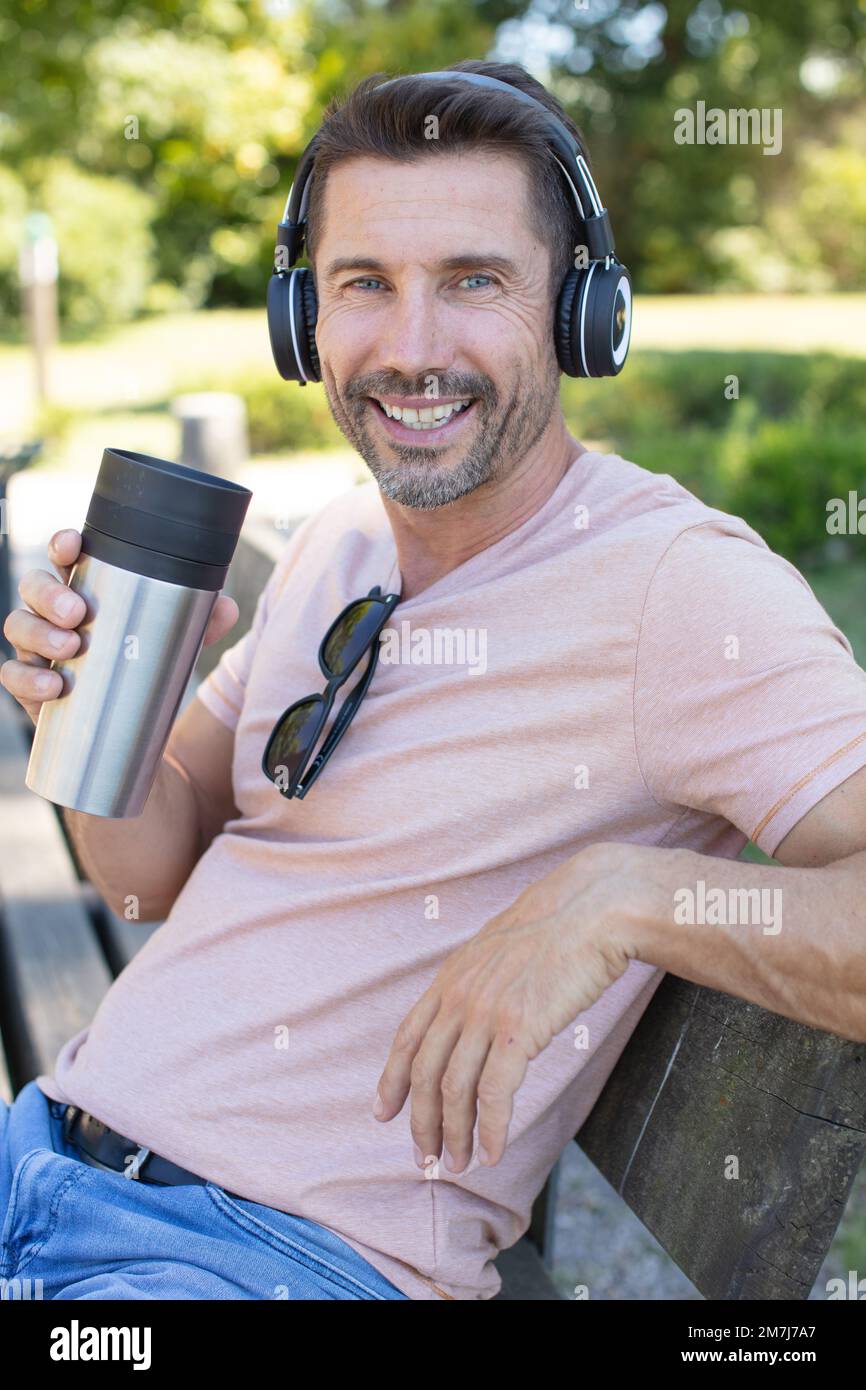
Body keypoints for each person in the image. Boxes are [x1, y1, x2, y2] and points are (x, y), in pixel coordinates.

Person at [2, 60, 866, 1303]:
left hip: (257, 1264)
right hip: (42, 1157)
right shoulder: (338, 543)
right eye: (364, 284)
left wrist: (618, 898)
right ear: (304, 319)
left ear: (579, 312)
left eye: (471, 280)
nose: (410, 351)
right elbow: (143, 870)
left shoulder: (676, 587)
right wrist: (92, 712)